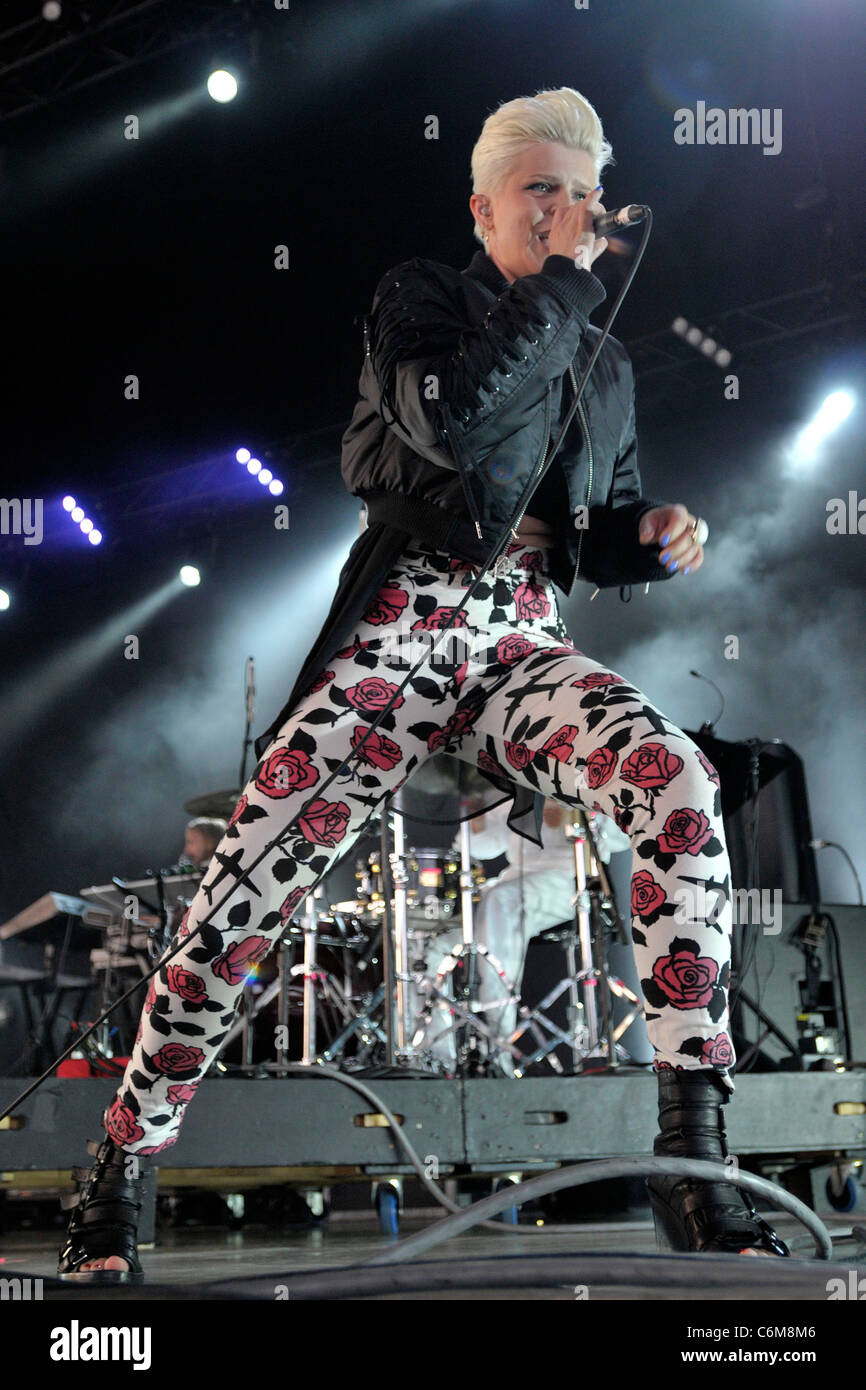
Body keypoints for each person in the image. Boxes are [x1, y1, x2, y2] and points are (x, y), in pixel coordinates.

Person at [58, 87, 788, 1279]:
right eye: (539, 191)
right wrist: (558, 284)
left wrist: (645, 536)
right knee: (236, 906)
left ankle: (692, 1155)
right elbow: (454, 422)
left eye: (582, 194)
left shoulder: (603, 365)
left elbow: (589, 526)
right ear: (484, 207)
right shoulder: (421, 300)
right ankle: (123, 1161)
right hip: (400, 627)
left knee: (676, 786)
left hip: (517, 641)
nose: (567, 212)